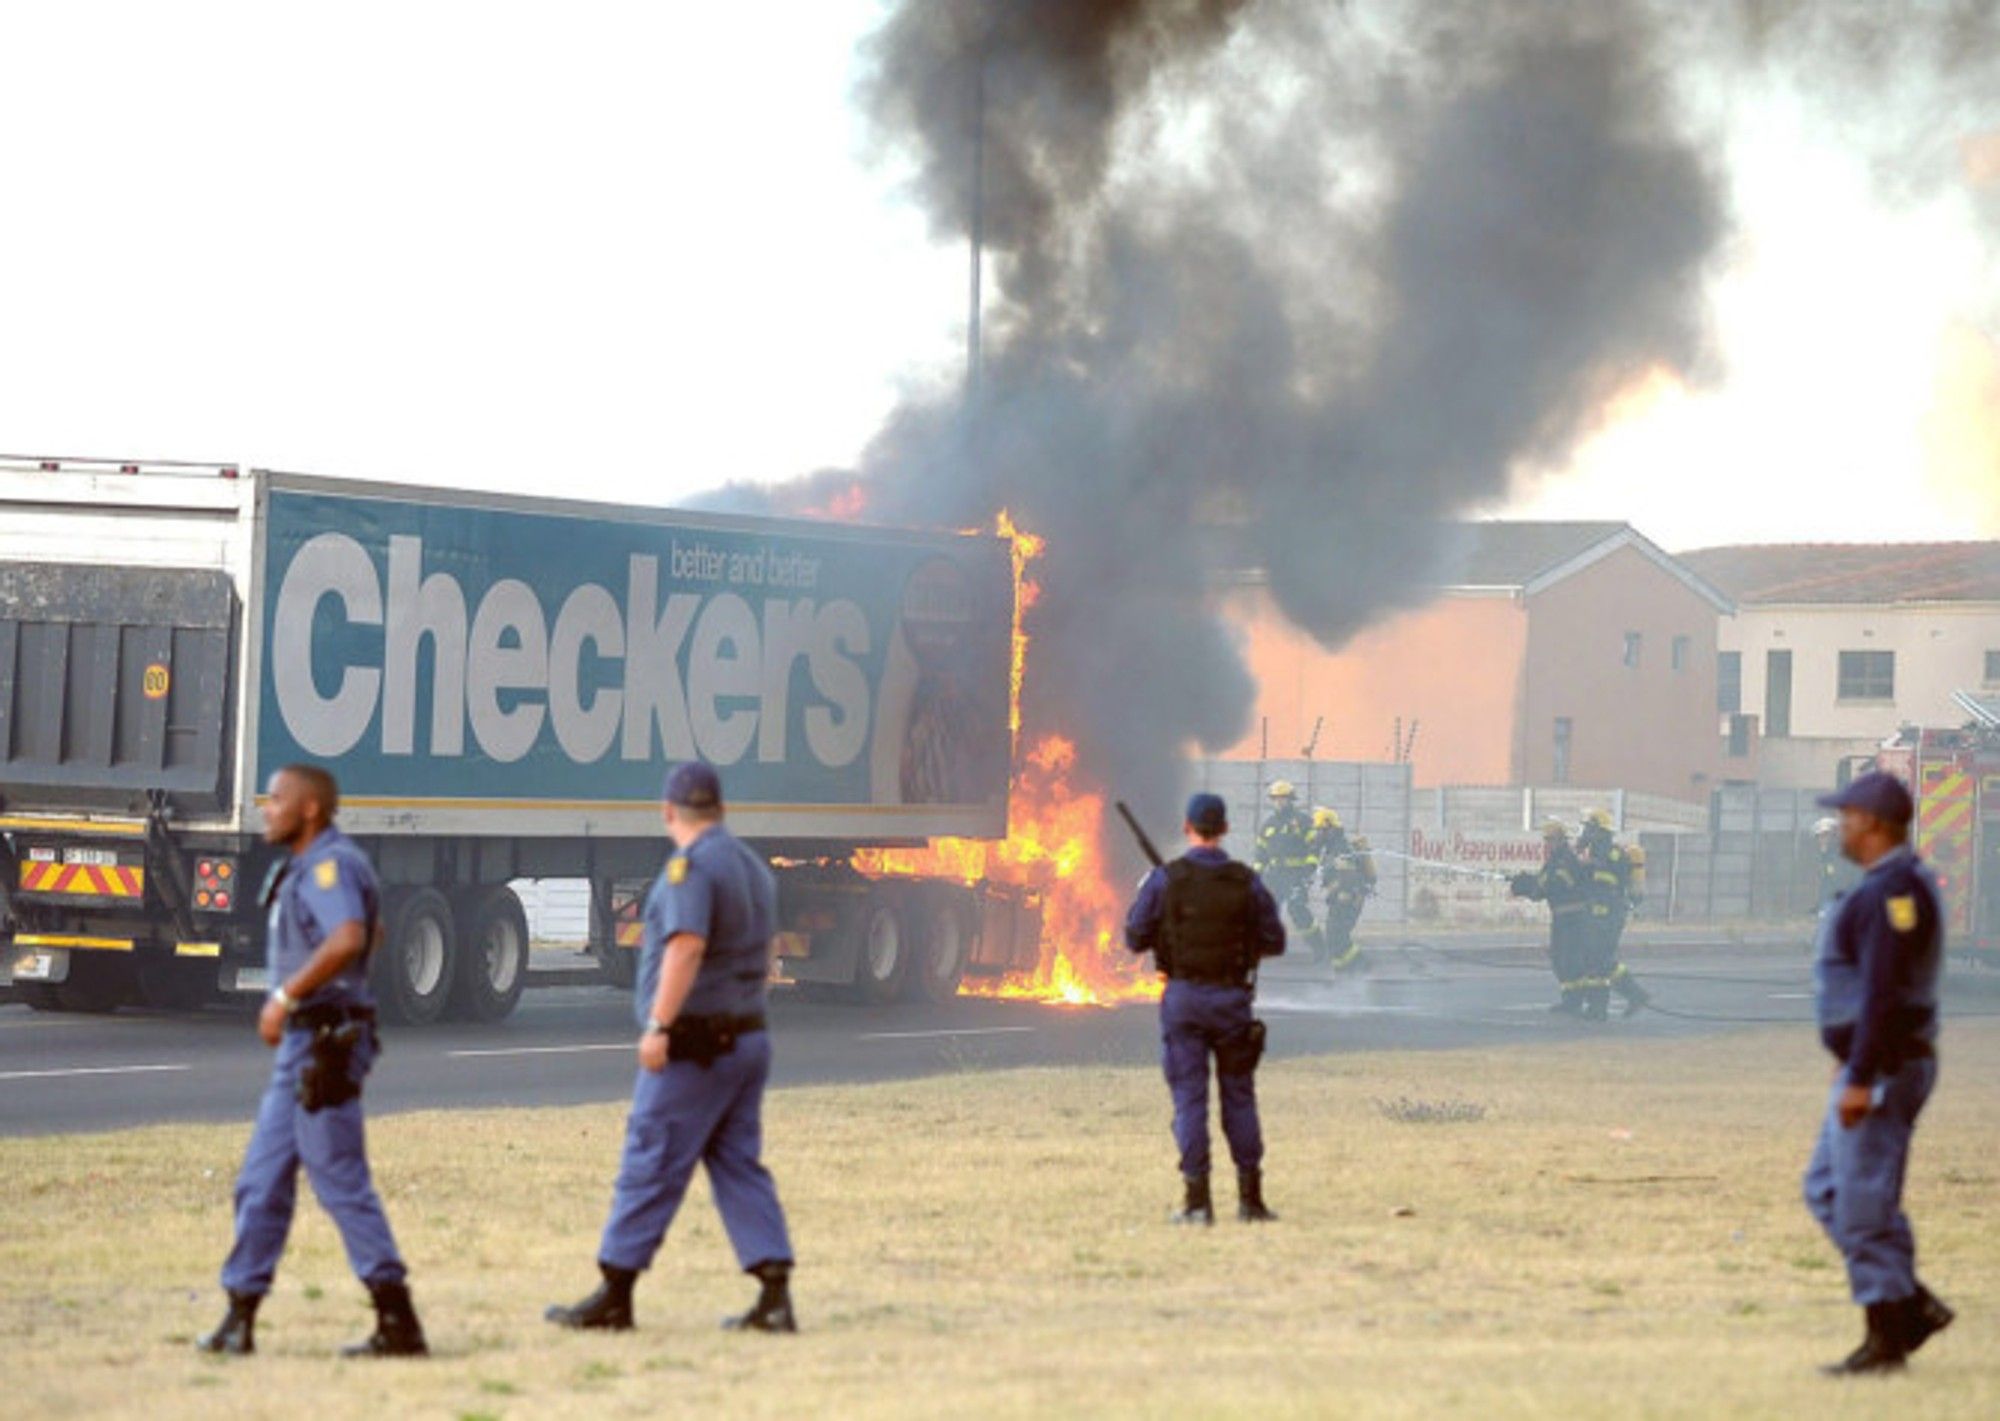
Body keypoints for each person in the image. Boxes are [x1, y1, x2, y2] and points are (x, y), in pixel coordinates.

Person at [547, 762, 798, 1335]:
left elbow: (685, 946)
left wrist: (660, 1024)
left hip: (696, 1045)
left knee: (651, 1156)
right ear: (720, 809)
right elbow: (764, 957)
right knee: (738, 1165)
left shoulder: (690, 869)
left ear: (668, 812)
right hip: (747, 1037)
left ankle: (615, 1292)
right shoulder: (753, 868)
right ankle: (775, 1292)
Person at [197, 764, 427, 1359]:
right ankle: (239, 1316)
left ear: (310, 810)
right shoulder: (310, 866)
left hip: (321, 1046)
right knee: (261, 1182)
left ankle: (397, 1321)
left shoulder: (330, 864)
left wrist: (288, 996)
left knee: (340, 1180)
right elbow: (370, 932)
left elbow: (351, 936)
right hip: (304, 1048)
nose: (265, 808)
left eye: (276, 800)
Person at [1803, 771, 1955, 1375]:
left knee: (1863, 1201)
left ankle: (1886, 1336)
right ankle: (1910, 1304)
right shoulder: (1891, 886)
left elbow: (1883, 994)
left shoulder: (1891, 893)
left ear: (1871, 821)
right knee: (1828, 1189)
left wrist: (1863, 1074)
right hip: (1872, 1062)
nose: (1840, 825)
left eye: (1847, 815)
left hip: (1886, 1068)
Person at [1125, 793, 1287, 1225]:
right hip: (1233, 1001)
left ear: (1187, 827)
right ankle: (1251, 1201)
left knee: (1189, 1101)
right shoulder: (1246, 881)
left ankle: (1197, 1204)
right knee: (1240, 1098)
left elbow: (1134, 938)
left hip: (1184, 1002)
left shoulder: (1165, 880)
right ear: (1226, 829)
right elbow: (1275, 940)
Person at [1510, 820, 1595, 1016]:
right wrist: (1524, 883)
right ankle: (1570, 1000)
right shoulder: (1555, 859)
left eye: (1551, 839)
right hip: (1561, 918)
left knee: (1569, 960)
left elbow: (1554, 884)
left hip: (1574, 918)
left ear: (1560, 839)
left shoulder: (1566, 859)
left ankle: (1576, 1000)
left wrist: (1530, 886)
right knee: (1559, 959)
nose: (1548, 843)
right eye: (1546, 840)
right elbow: (1542, 883)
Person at [1576, 809, 1651, 1017]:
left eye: (1590, 829)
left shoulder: (1611, 853)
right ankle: (1630, 996)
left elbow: (1603, 885)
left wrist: (1587, 863)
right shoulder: (1598, 853)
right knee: (1598, 959)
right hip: (1600, 913)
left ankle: (1601, 1007)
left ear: (1599, 831)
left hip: (1607, 914)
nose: (1586, 833)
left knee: (1599, 959)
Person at [1254, 781, 1320, 958]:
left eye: (1283, 799)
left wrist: (1308, 869)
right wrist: (1257, 874)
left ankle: (1319, 948)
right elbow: (1261, 852)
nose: (1279, 802)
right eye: (1276, 799)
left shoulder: (1303, 821)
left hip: (1296, 875)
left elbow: (1314, 847)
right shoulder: (1268, 824)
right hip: (1274, 875)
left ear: (1291, 800)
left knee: (1297, 909)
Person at [1319, 826, 1377, 973]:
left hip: (1347, 900)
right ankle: (1342, 972)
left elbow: (1350, 877)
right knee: (1333, 937)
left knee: (1337, 936)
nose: (1318, 834)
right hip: (1339, 900)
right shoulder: (1332, 849)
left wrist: (1344, 894)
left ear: (1329, 829)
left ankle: (1362, 964)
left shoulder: (1341, 849)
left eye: (1321, 830)